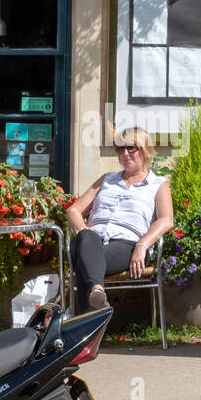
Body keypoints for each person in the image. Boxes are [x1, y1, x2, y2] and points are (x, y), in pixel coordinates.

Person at [67, 127, 174, 309]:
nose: (125, 154)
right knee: (86, 238)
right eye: (120, 149)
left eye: (131, 148)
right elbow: (73, 210)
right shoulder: (107, 179)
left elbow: (166, 220)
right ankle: (97, 290)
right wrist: (81, 229)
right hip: (92, 240)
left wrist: (142, 245)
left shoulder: (158, 184)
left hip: (128, 246)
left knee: (86, 264)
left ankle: (88, 324)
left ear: (145, 150)